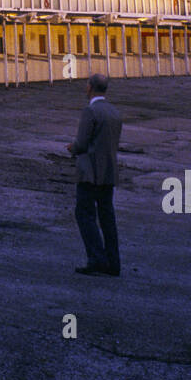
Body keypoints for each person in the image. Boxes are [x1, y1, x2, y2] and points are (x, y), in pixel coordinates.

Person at [66, 73, 122, 277]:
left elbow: (81, 143)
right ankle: (113, 262)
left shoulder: (91, 111)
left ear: (90, 87)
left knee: (84, 214)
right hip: (108, 172)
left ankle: (97, 258)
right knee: (107, 217)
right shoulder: (114, 111)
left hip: (90, 172)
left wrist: (72, 148)